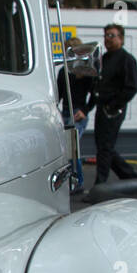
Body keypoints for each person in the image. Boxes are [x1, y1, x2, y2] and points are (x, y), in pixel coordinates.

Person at [92, 23, 137, 183]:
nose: (107, 39)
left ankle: (100, 184)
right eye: (106, 35)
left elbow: (132, 87)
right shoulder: (104, 59)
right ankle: (130, 176)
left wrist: (114, 105)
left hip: (113, 109)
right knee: (103, 147)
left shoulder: (127, 60)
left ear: (121, 38)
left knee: (105, 147)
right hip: (101, 106)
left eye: (112, 35)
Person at [56, 36, 95, 191]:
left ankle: (78, 181)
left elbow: (94, 96)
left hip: (77, 112)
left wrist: (84, 111)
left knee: (72, 148)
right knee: (67, 149)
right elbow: (58, 94)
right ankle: (71, 180)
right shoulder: (64, 71)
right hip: (66, 111)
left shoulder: (85, 73)